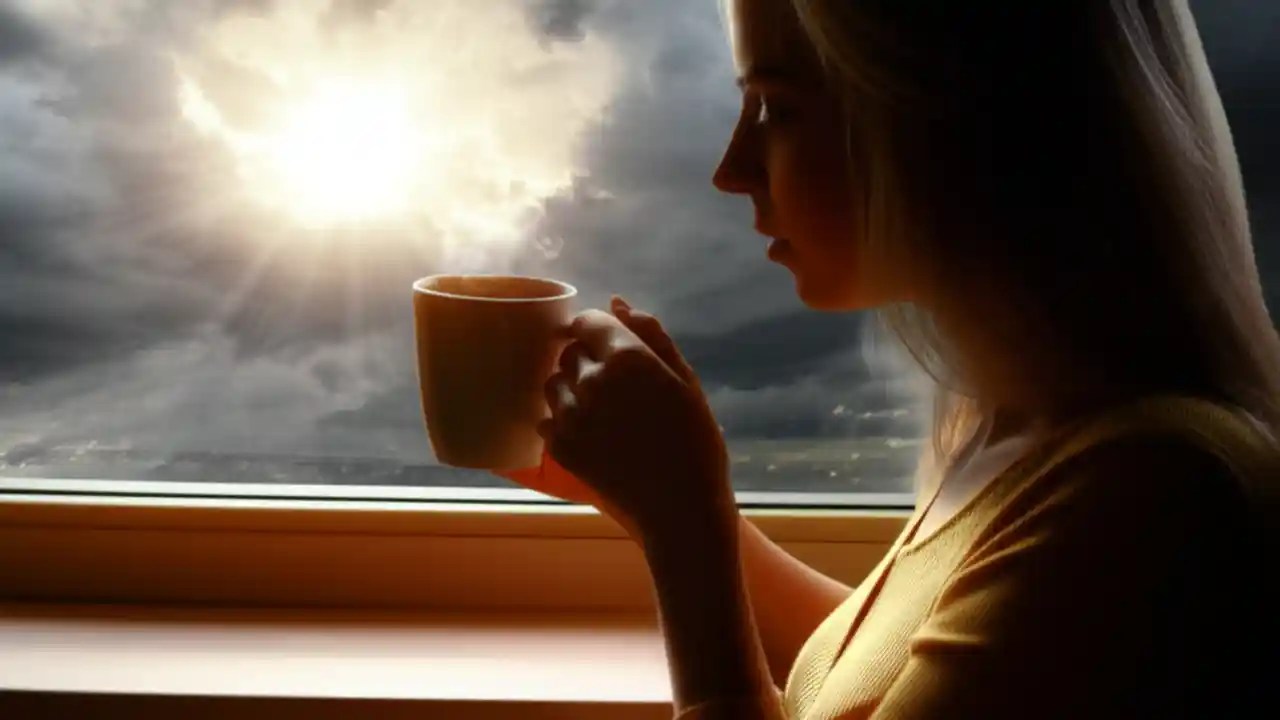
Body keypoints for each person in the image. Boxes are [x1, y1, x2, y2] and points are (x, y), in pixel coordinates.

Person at [501, 1, 1280, 717]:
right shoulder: (1020, 430)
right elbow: (876, 688)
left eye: (776, 107)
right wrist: (655, 501)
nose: (731, 168)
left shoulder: (1148, 501)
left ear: (949, 118)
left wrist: (684, 528)